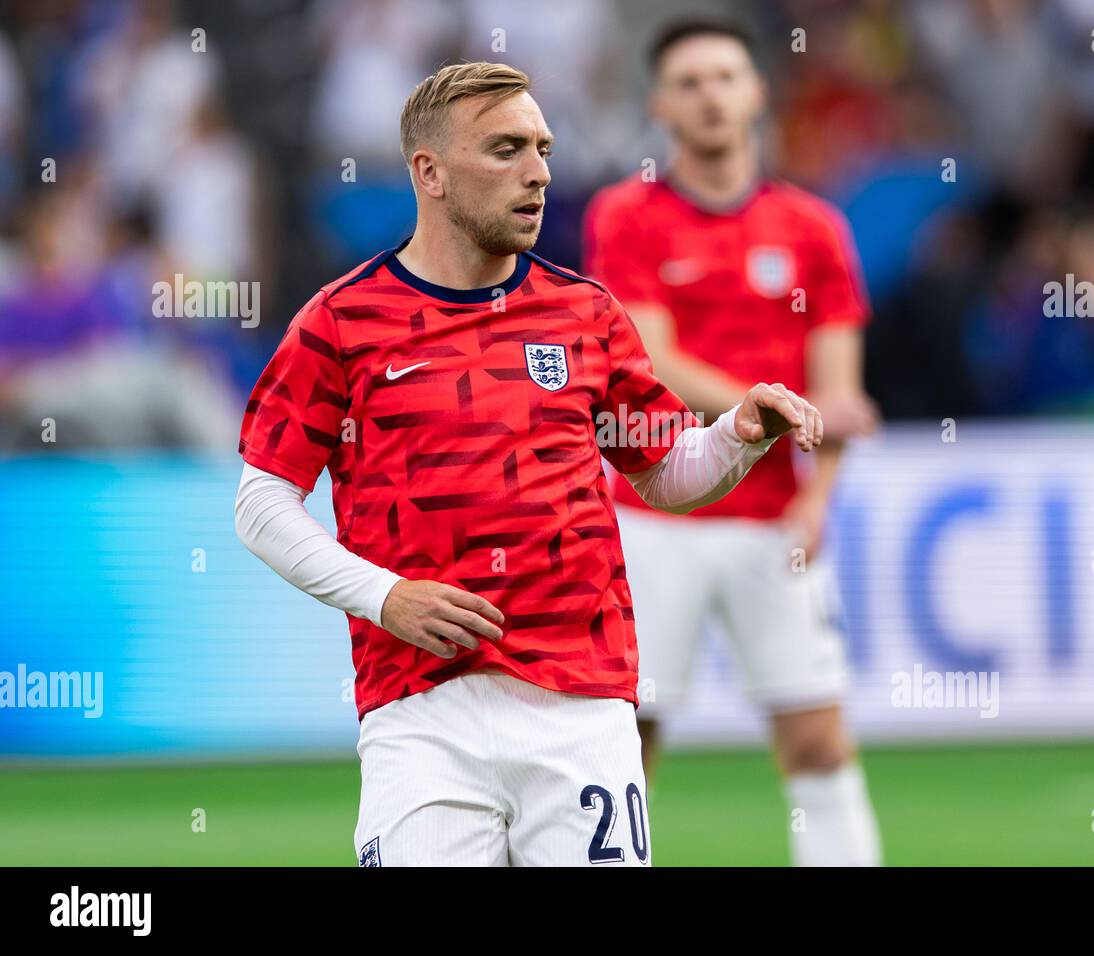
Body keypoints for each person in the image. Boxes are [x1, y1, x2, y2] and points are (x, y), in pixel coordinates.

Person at [234, 61, 825, 867]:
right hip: (420, 712)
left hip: (582, 706)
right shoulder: (341, 322)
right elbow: (261, 504)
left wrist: (737, 433)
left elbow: (665, 473)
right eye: (506, 149)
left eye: (543, 149)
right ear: (429, 172)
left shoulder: (584, 312)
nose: (539, 173)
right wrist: (387, 597)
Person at [583, 21, 882, 866]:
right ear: (660, 105)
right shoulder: (627, 217)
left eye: (726, 76)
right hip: (651, 514)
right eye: (689, 81)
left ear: (755, 94)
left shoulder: (814, 228)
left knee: (819, 741)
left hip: (772, 521)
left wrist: (821, 496)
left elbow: (838, 393)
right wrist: (774, 405)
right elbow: (652, 359)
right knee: (624, 741)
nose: (710, 94)